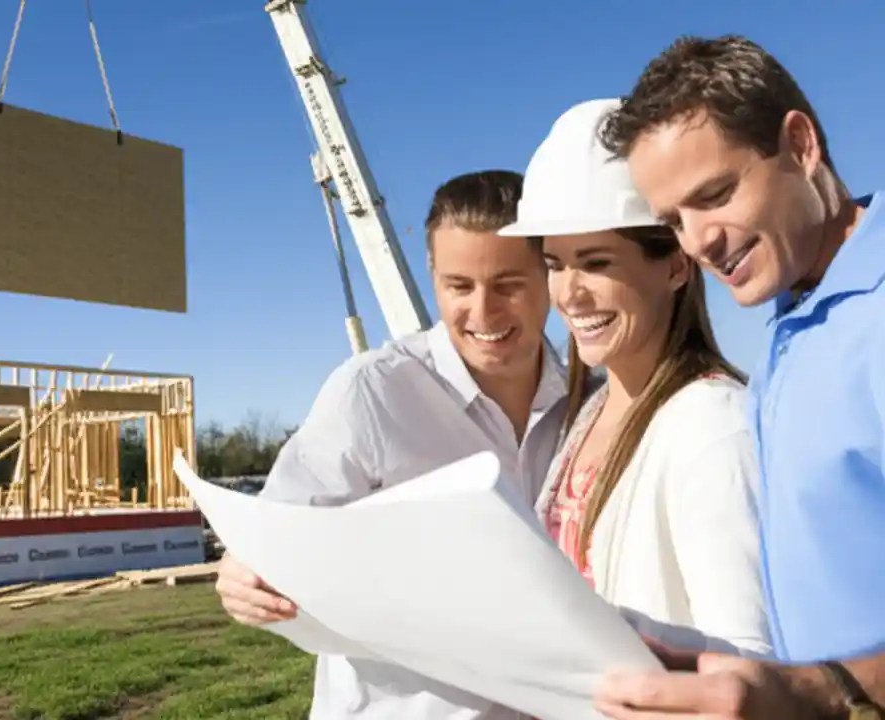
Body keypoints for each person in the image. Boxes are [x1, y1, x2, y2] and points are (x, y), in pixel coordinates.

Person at [587, 34, 885, 718]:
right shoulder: (794, 311)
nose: (698, 241)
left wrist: (826, 692)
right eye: (673, 220)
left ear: (801, 145)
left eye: (715, 194)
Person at [215, 169, 571, 718]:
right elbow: (275, 539)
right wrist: (243, 573)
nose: (482, 313)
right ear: (432, 274)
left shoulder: (590, 401)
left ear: (550, 274)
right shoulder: (372, 393)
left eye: (508, 284)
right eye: (459, 286)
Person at [497, 98, 771, 659]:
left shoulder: (713, 428)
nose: (569, 293)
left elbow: (750, 663)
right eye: (555, 263)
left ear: (674, 265)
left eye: (597, 262)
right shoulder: (589, 415)